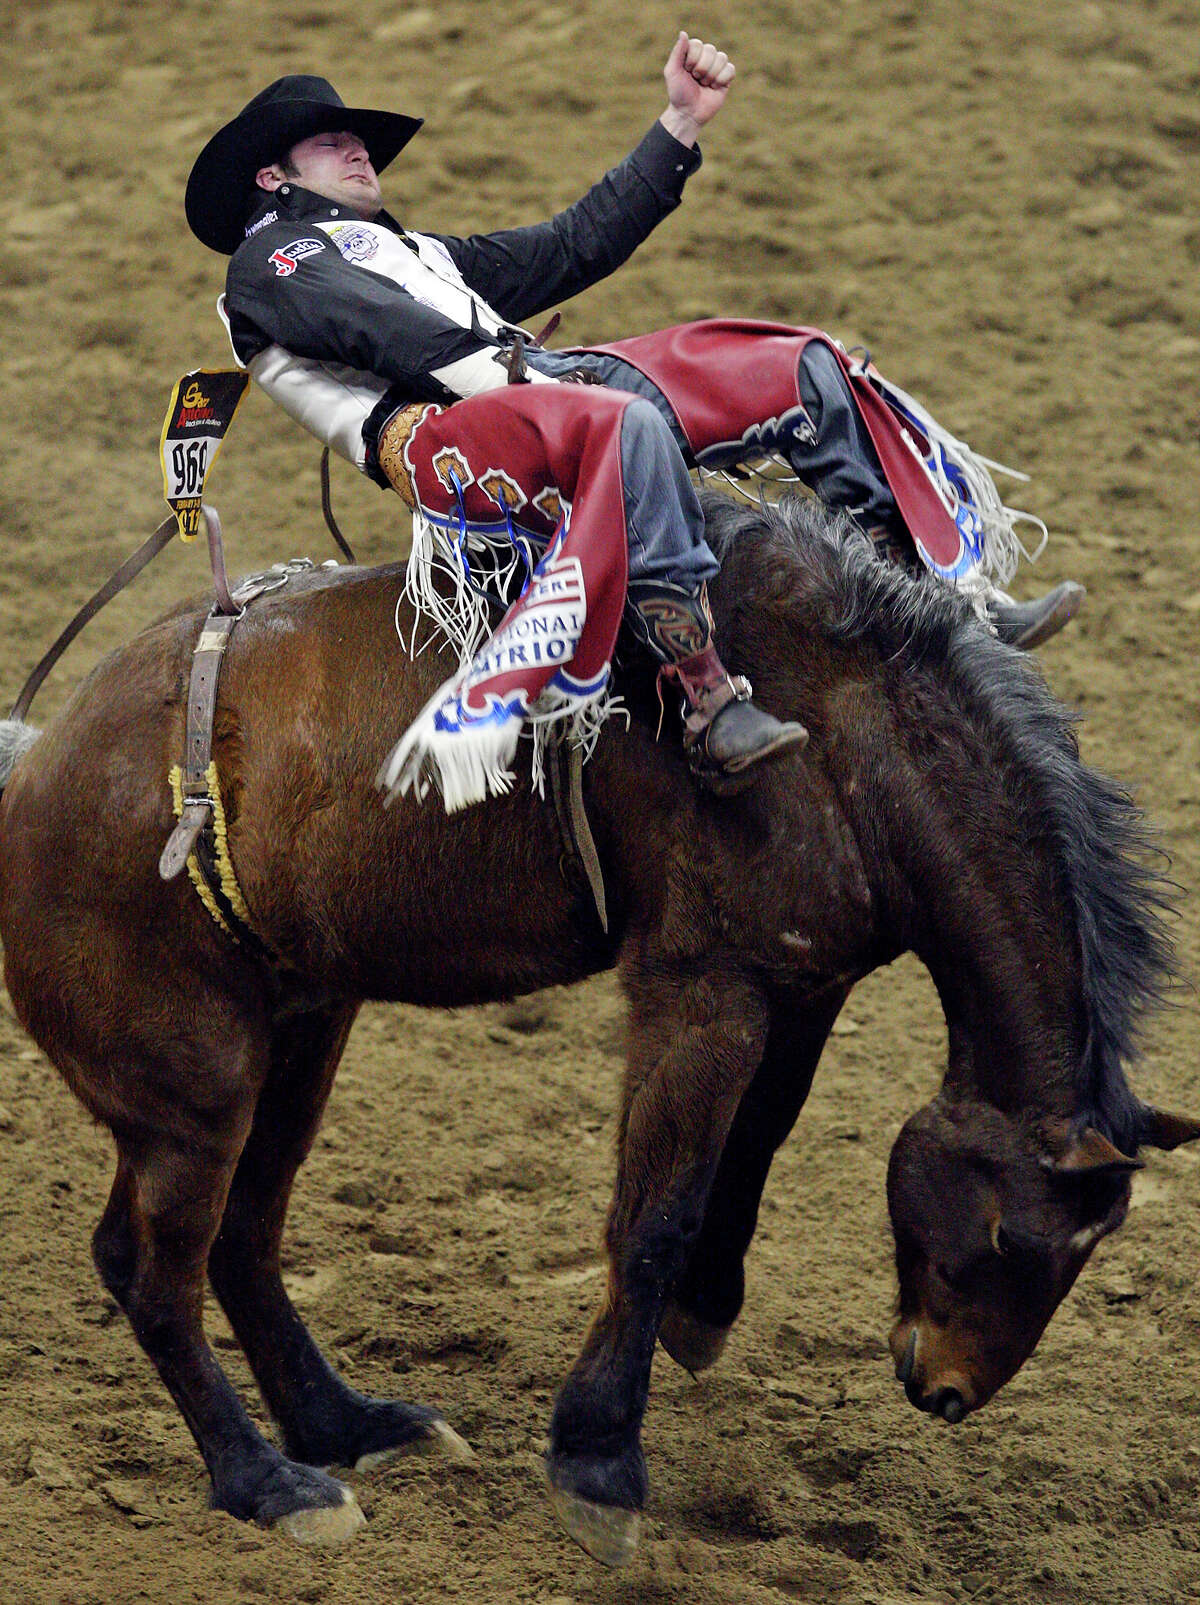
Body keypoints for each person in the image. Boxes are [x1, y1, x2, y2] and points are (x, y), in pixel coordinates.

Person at [185, 37, 1082, 803]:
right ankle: (707, 701)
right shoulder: (273, 257)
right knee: (619, 419)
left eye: (358, 142)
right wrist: (537, 374)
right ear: (274, 175)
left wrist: (679, 125)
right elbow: (384, 332)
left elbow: (573, 243)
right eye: (334, 142)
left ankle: (933, 600)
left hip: (540, 389)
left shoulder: (410, 251)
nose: (360, 153)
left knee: (799, 362)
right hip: (439, 441)